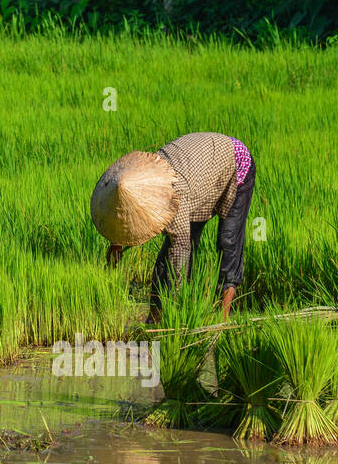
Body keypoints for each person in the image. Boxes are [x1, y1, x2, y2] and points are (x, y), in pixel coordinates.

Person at [91, 132, 256, 323]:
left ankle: (222, 318)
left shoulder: (173, 192)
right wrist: (116, 242)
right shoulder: (137, 176)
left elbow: (181, 249)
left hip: (235, 162)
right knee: (169, 252)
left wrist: (177, 299)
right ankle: (154, 318)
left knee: (227, 241)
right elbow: (122, 211)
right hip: (200, 174)